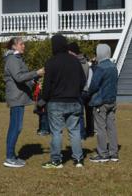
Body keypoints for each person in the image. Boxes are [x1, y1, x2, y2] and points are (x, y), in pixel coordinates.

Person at [40, 34, 87, 168]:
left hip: (56, 102)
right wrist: (76, 91)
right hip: (74, 101)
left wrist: (44, 99)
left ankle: (56, 160)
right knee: (75, 131)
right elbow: (83, 81)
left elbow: (47, 85)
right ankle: (78, 159)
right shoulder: (75, 61)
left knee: (56, 132)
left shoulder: (51, 62)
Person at [2, 37, 44, 168]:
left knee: (15, 127)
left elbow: (25, 78)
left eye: (23, 44)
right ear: (14, 46)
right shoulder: (13, 60)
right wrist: (36, 72)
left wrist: (35, 79)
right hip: (16, 98)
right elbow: (19, 77)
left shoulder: (17, 59)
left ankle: (11, 156)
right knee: (16, 127)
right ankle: (9, 157)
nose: (24, 46)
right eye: (21, 44)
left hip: (18, 97)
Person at [86, 43, 119, 163]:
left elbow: (94, 85)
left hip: (101, 102)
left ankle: (103, 154)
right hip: (112, 101)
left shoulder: (100, 68)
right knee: (111, 127)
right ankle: (114, 153)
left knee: (100, 128)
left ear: (99, 53)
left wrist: (88, 93)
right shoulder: (113, 67)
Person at [67, 41, 93, 139]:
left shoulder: (75, 62)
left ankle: (81, 134)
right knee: (87, 113)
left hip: (79, 90)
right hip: (86, 89)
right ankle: (88, 131)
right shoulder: (85, 61)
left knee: (78, 114)